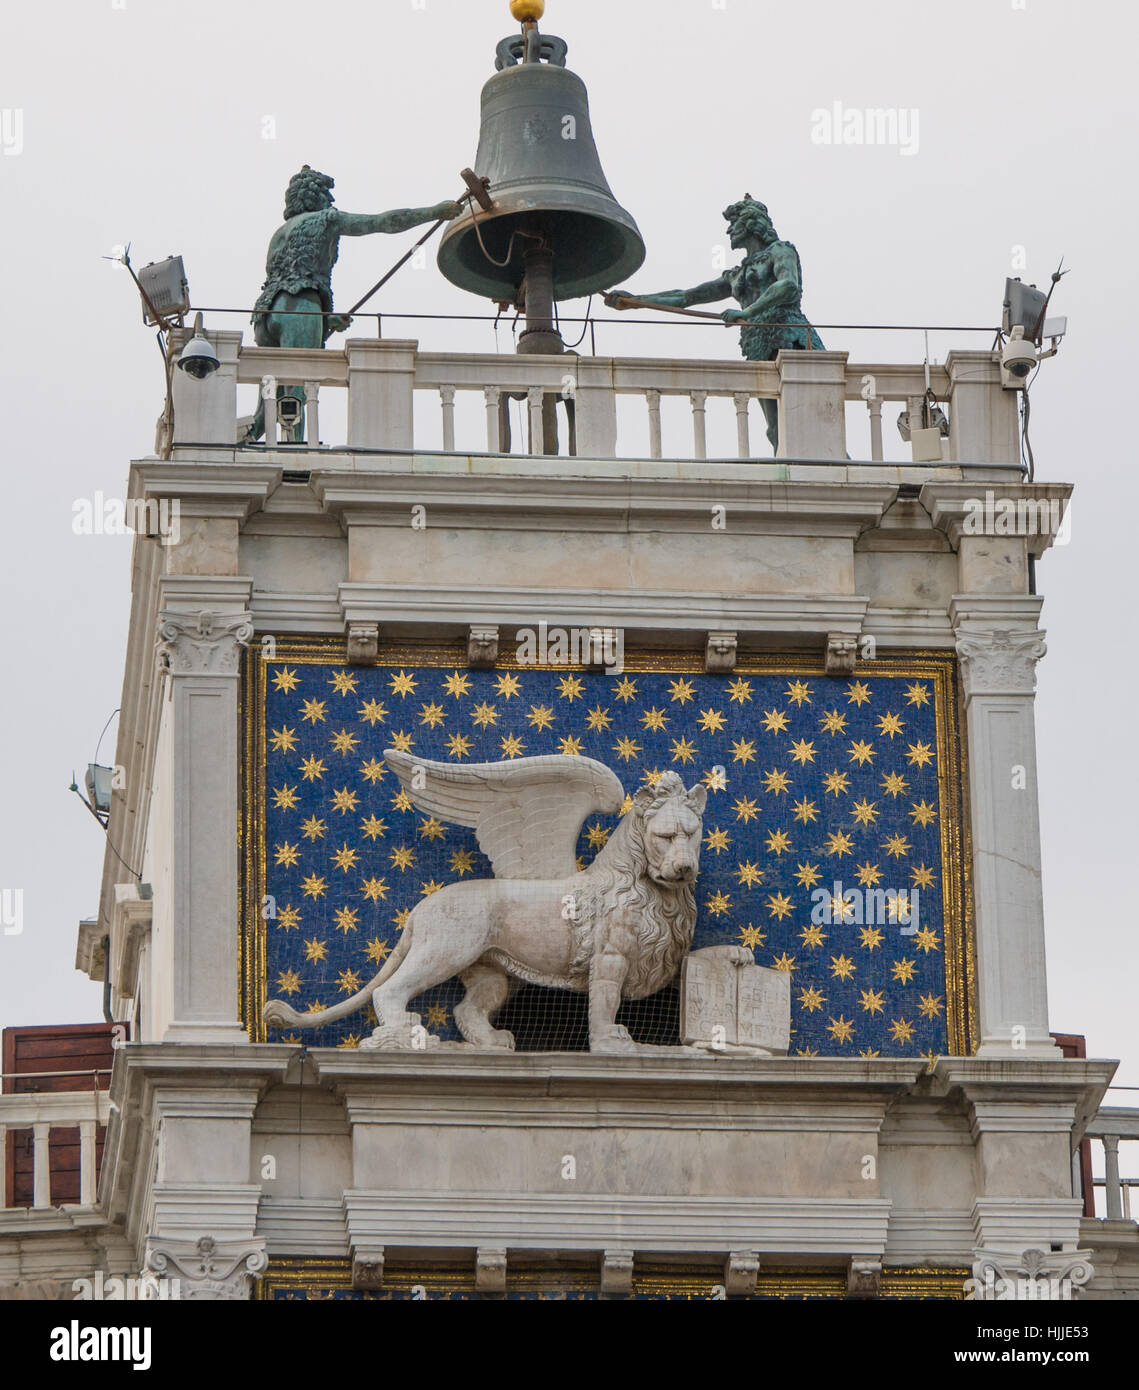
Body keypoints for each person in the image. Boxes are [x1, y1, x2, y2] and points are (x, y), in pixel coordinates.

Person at [243, 166, 462, 442]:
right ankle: (295, 449)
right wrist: (433, 213)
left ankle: (250, 434)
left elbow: (284, 281)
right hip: (302, 308)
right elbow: (383, 222)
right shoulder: (327, 219)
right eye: (325, 194)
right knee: (298, 386)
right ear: (315, 196)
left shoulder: (279, 233)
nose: (330, 201)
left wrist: (325, 320)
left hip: (265, 315)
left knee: (270, 388)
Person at [607, 195, 823, 451]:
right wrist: (637, 300)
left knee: (808, 421)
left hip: (789, 336)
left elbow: (787, 285)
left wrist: (748, 311)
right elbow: (688, 296)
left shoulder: (781, 251)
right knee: (776, 429)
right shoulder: (736, 274)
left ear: (751, 223)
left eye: (734, 223)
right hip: (758, 346)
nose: (729, 229)